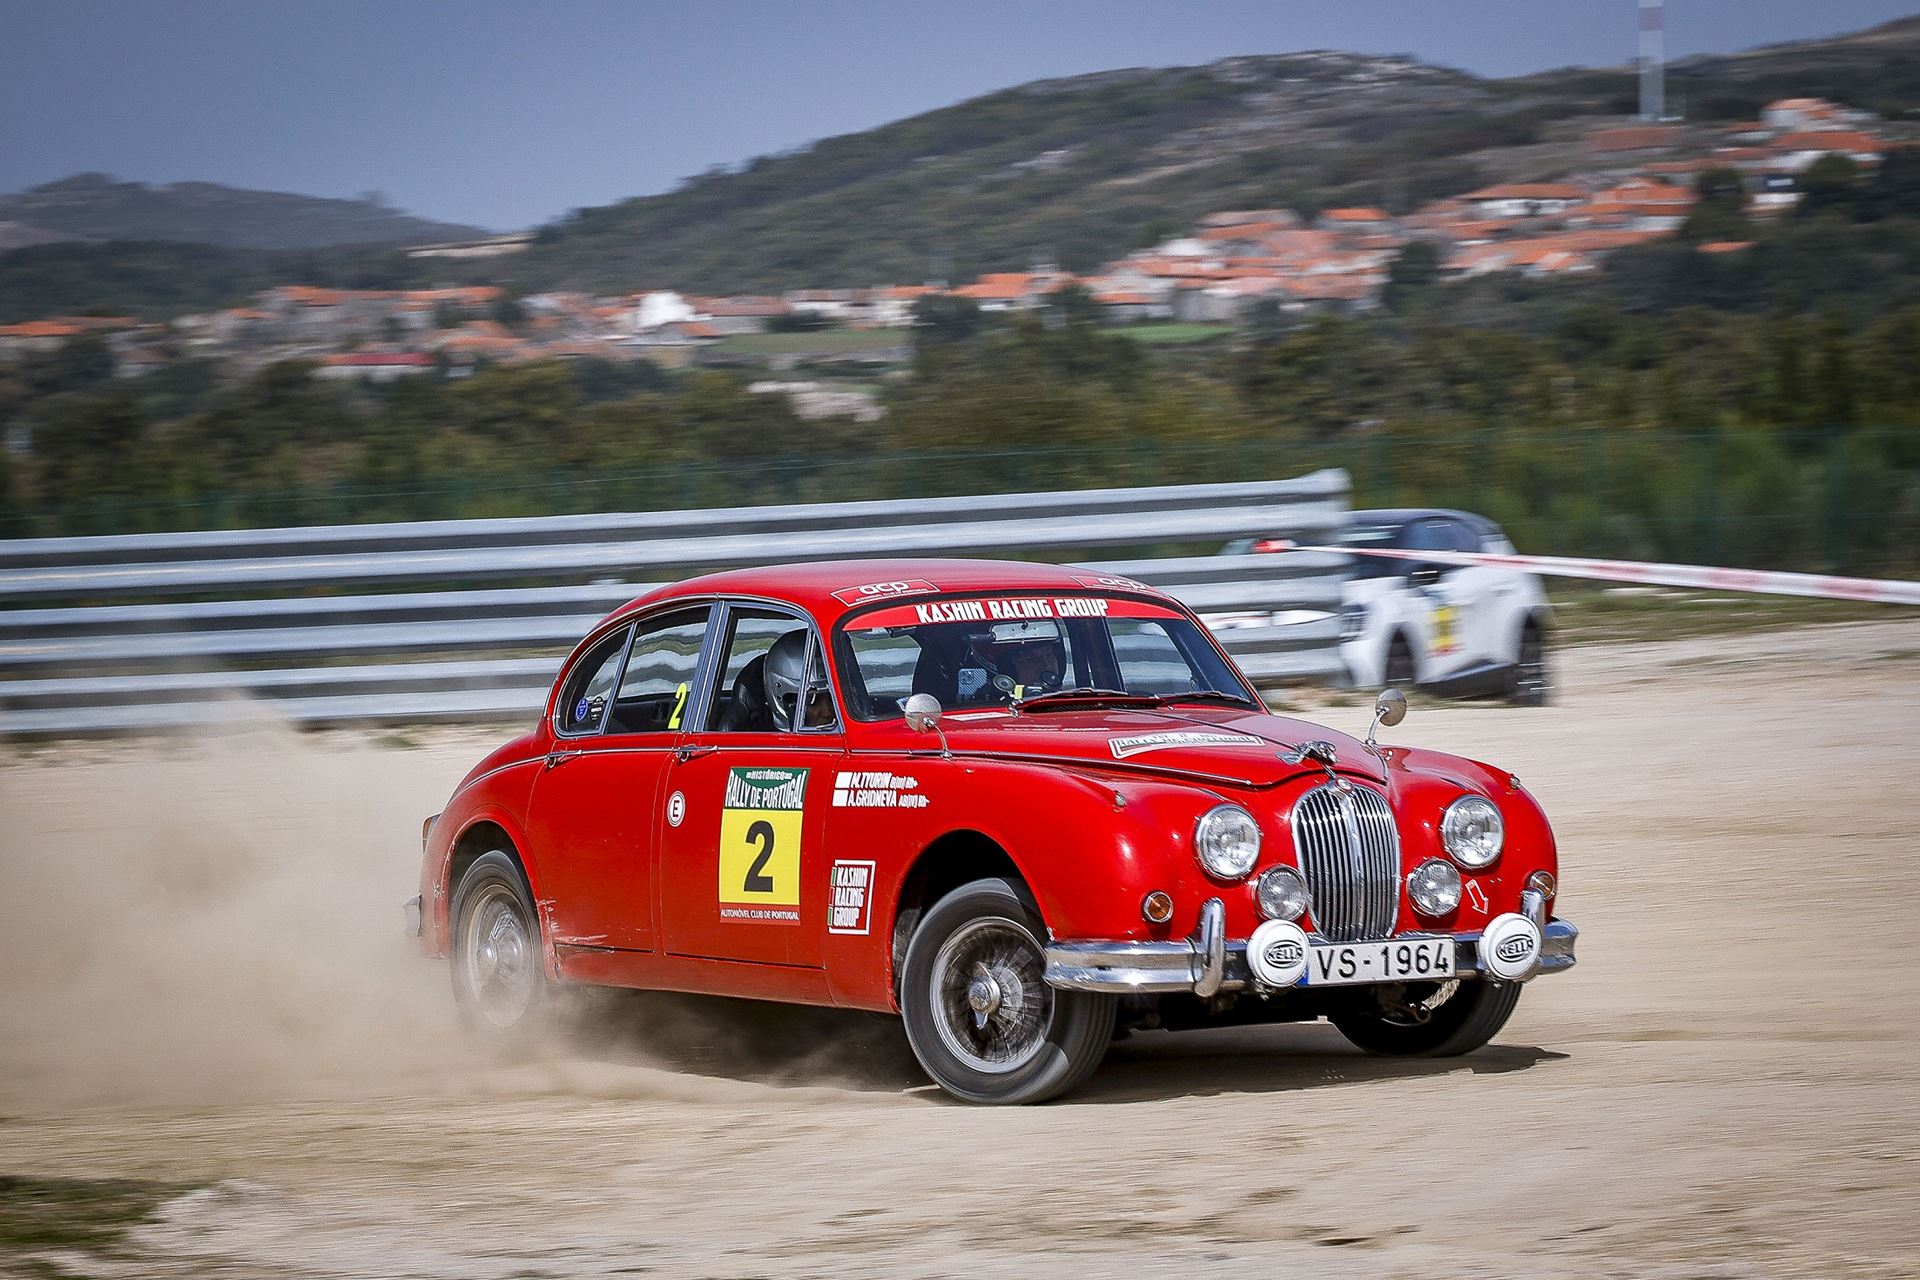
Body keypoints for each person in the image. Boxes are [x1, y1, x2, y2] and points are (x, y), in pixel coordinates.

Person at [958, 620, 1067, 704]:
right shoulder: (984, 710)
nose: (1046, 665)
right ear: (1006, 669)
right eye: (1030, 660)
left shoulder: (1072, 701)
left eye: (1049, 655)